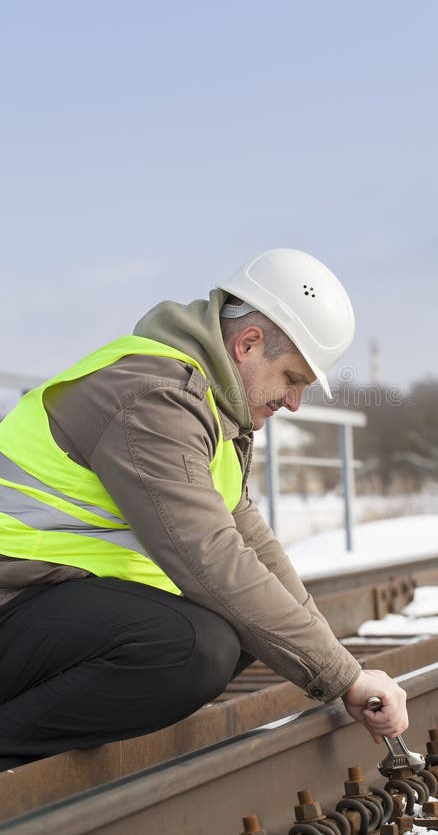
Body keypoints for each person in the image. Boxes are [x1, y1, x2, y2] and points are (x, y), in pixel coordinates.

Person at [0, 248, 408, 770]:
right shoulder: (151, 400)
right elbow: (211, 558)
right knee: (196, 646)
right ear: (249, 343)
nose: (294, 403)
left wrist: (341, 665)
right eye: (292, 379)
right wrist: (342, 678)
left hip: (39, 605)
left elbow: (250, 547)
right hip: (14, 599)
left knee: (246, 626)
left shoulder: (205, 407)